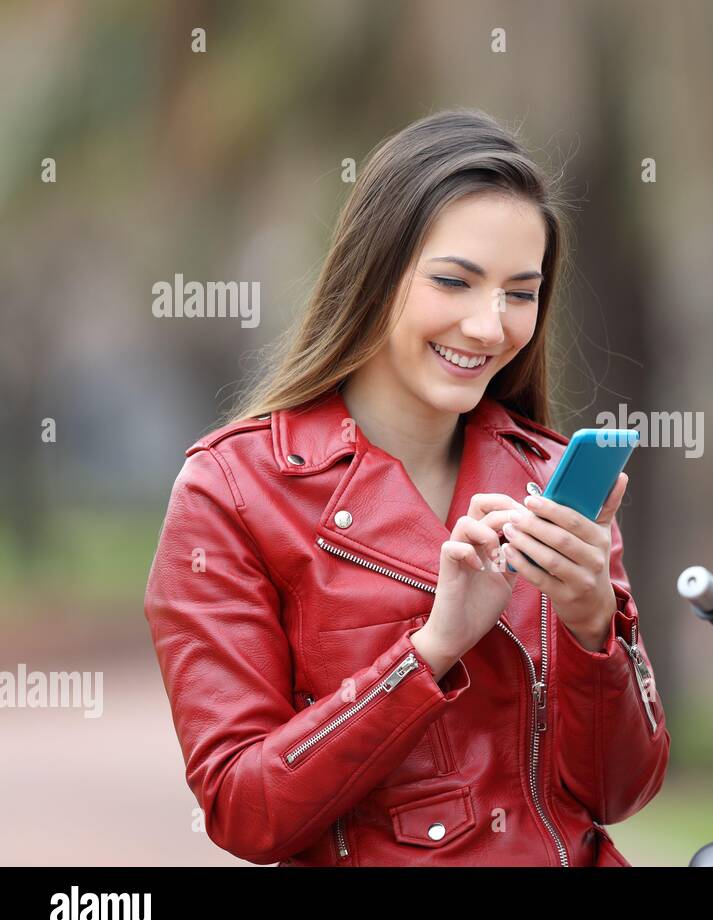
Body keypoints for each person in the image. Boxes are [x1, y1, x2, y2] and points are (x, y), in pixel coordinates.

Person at [143, 108, 669, 866]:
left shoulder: (552, 481)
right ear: (375, 272)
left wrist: (594, 627)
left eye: (520, 293)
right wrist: (431, 650)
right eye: (454, 281)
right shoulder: (230, 492)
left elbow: (620, 792)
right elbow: (246, 810)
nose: (490, 327)